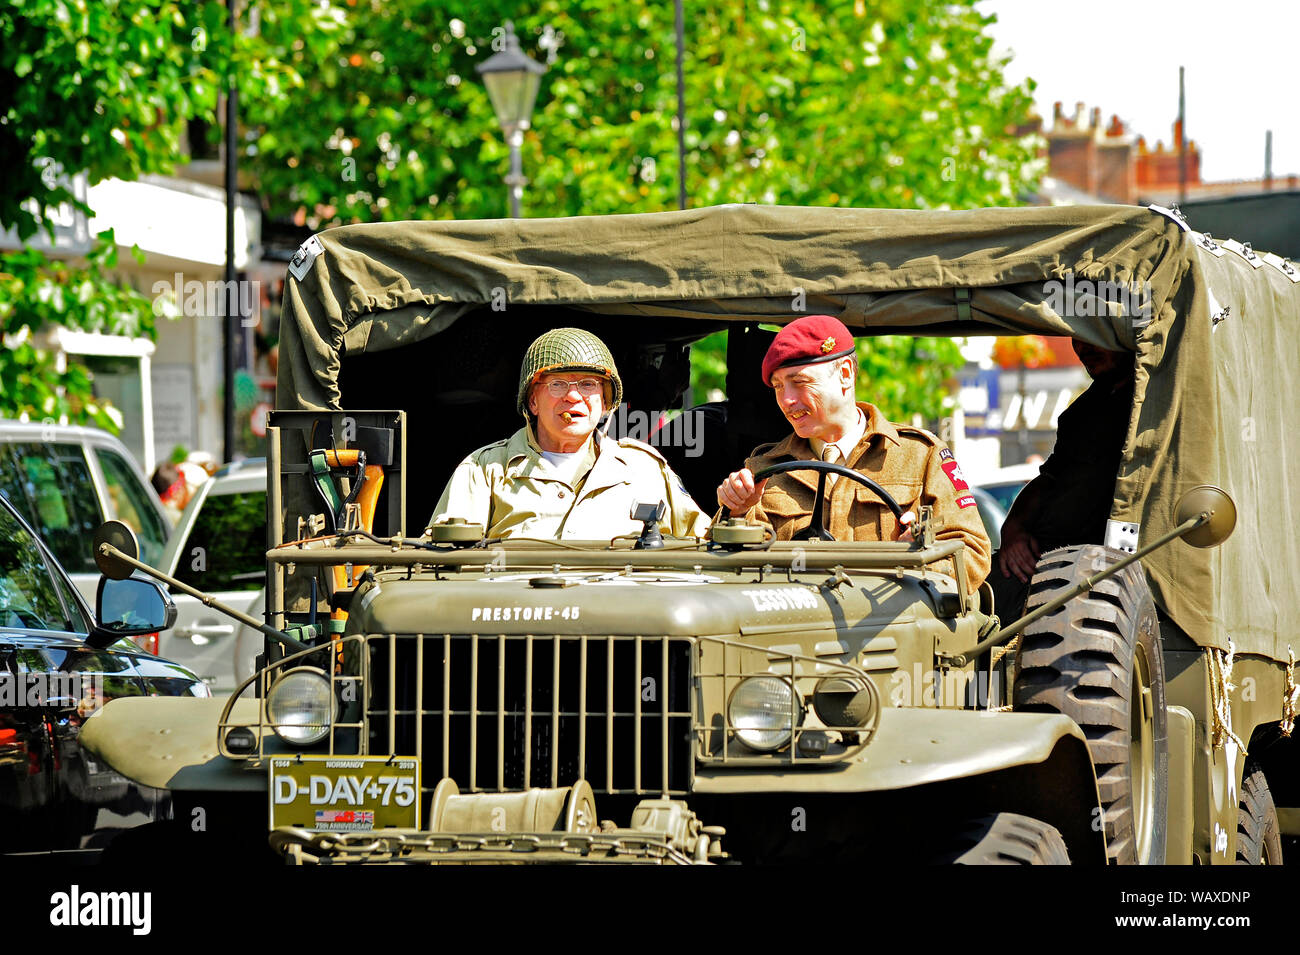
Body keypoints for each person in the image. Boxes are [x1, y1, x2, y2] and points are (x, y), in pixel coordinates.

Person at [716, 315, 990, 594]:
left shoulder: (920, 456)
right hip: (795, 620)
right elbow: (726, 571)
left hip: (890, 620)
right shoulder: (764, 470)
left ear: (845, 374)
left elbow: (972, 553)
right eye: (778, 386)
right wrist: (736, 512)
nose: (786, 399)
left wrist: (920, 558)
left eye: (799, 382)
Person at [430, 327, 711, 541]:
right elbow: (443, 563)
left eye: (588, 384)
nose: (573, 396)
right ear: (533, 401)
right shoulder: (484, 469)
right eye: (557, 384)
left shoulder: (645, 468)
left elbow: (707, 544)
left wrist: (733, 506)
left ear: (605, 402)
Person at [988, 339, 1136, 619]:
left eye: (1096, 333)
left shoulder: (1154, 404)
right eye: (1078, 336)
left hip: (1102, 569)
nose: (1084, 347)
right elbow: (1050, 477)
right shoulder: (1083, 411)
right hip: (1046, 560)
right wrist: (1014, 528)